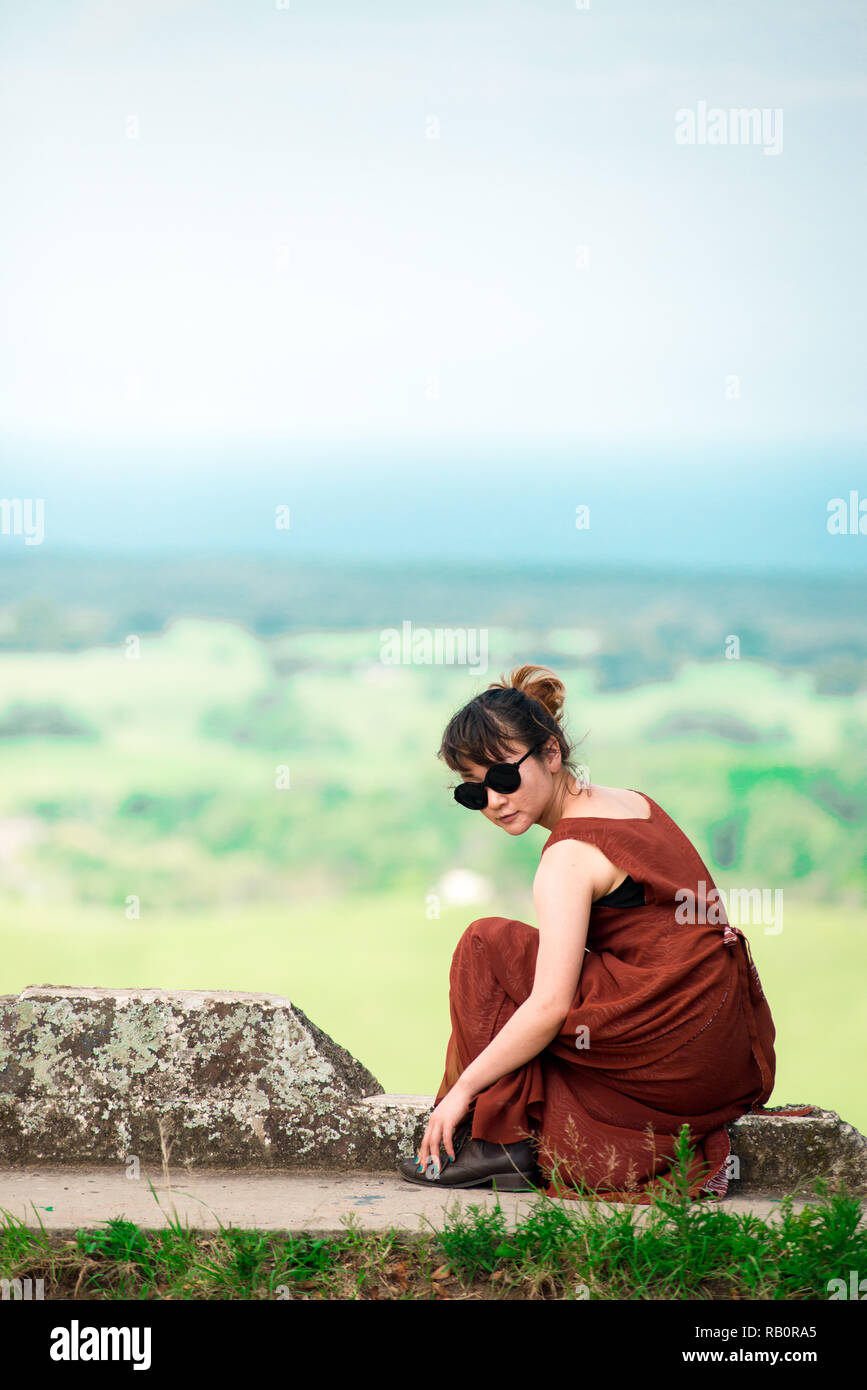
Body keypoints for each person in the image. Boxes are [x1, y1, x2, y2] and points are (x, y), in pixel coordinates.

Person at [398, 664, 805, 1203]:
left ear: (550, 753)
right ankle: (503, 1128)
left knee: (487, 944)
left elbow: (549, 1006)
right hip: (721, 1057)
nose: (493, 801)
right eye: (473, 792)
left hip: (671, 1058)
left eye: (503, 778)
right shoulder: (634, 802)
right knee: (524, 968)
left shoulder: (567, 858)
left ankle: (498, 1142)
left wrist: (464, 1089)